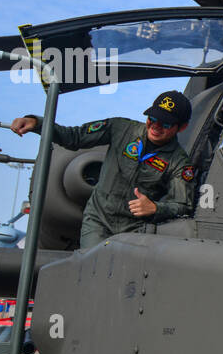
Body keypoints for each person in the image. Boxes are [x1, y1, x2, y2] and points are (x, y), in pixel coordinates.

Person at [10, 90, 197, 248]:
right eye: (152, 118)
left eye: (165, 123)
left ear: (182, 127)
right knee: (92, 270)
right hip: (98, 221)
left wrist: (156, 208)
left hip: (134, 231)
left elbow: (183, 206)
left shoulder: (179, 163)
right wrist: (38, 123)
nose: (155, 126)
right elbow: (74, 137)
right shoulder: (120, 128)